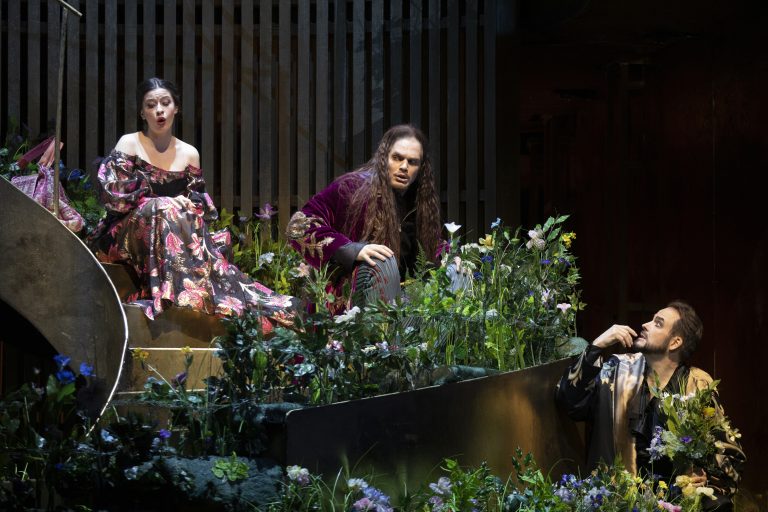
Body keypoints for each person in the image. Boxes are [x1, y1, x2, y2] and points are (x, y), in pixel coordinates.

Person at [89, 78, 293, 325]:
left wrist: (186, 205)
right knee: (165, 207)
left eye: (165, 103)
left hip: (172, 229)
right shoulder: (130, 142)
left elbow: (198, 207)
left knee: (183, 217)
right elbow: (114, 200)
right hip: (126, 233)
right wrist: (166, 202)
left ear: (176, 108)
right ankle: (174, 295)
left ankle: (199, 299)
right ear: (142, 113)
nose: (159, 110)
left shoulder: (189, 153)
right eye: (151, 105)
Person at [555, 301, 744, 510]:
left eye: (658, 323)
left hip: (674, 503)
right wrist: (597, 346)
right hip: (614, 499)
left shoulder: (697, 386)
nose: (645, 325)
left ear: (675, 343)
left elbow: (728, 453)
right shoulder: (618, 369)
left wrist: (705, 479)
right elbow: (569, 401)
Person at [286, 124, 442, 308]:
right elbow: (299, 225)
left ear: (421, 168)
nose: (404, 167)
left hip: (405, 307)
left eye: (412, 162)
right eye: (397, 158)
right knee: (381, 261)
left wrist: (451, 258)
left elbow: (432, 249)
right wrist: (350, 249)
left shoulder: (419, 203)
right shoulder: (352, 188)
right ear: (384, 157)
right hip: (349, 307)